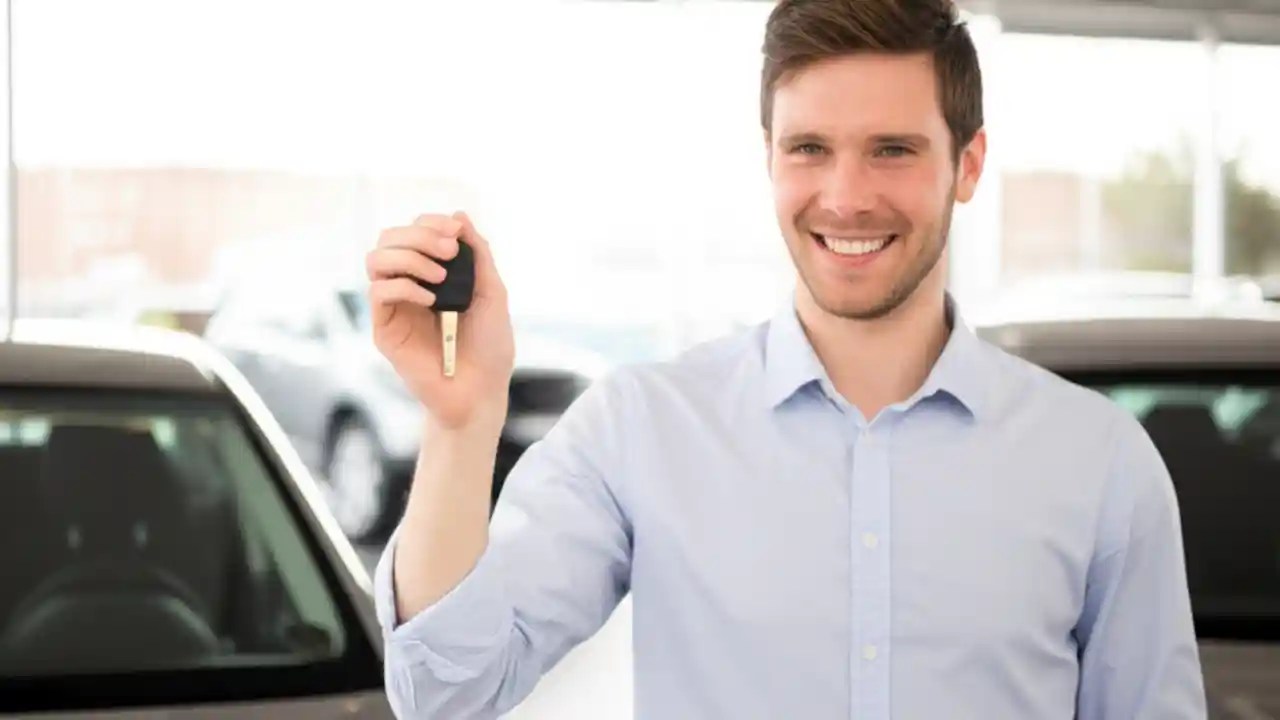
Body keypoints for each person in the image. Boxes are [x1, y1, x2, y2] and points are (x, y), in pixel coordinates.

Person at [365, 0, 1207, 717]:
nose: (845, 196)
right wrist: (461, 424)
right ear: (768, 157)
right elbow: (449, 692)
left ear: (968, 165)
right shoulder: (642, 428)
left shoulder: (1101, 465)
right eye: (809, 148)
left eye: (893, 149)